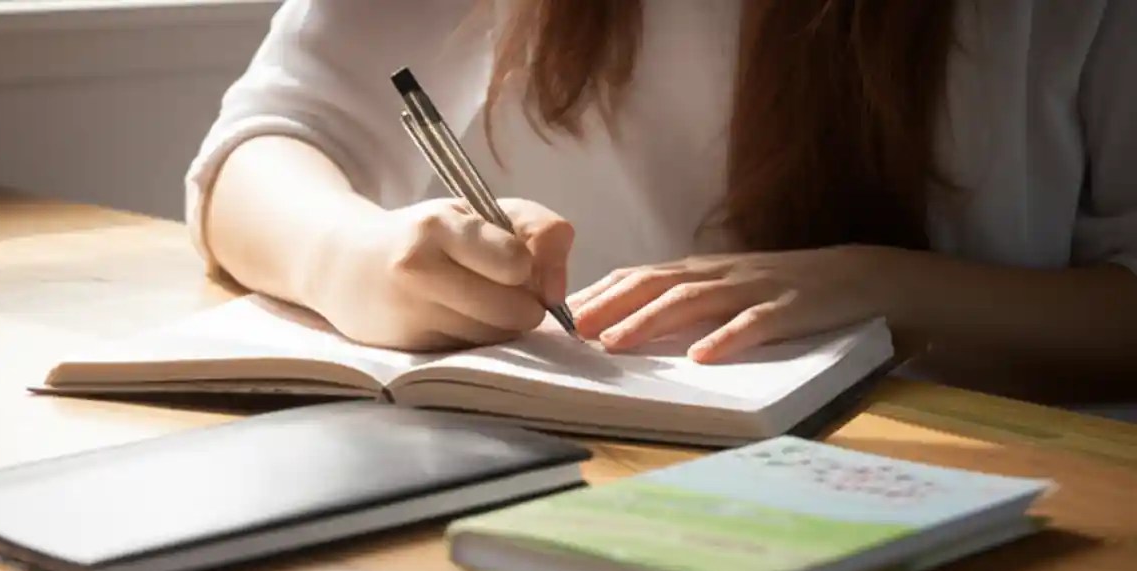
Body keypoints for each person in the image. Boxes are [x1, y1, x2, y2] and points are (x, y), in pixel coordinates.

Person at [185, 0, 1137, 408]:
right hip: (600, 471)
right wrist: (351, 258)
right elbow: (261, 146)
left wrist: (883, 285)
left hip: (1003, 496)